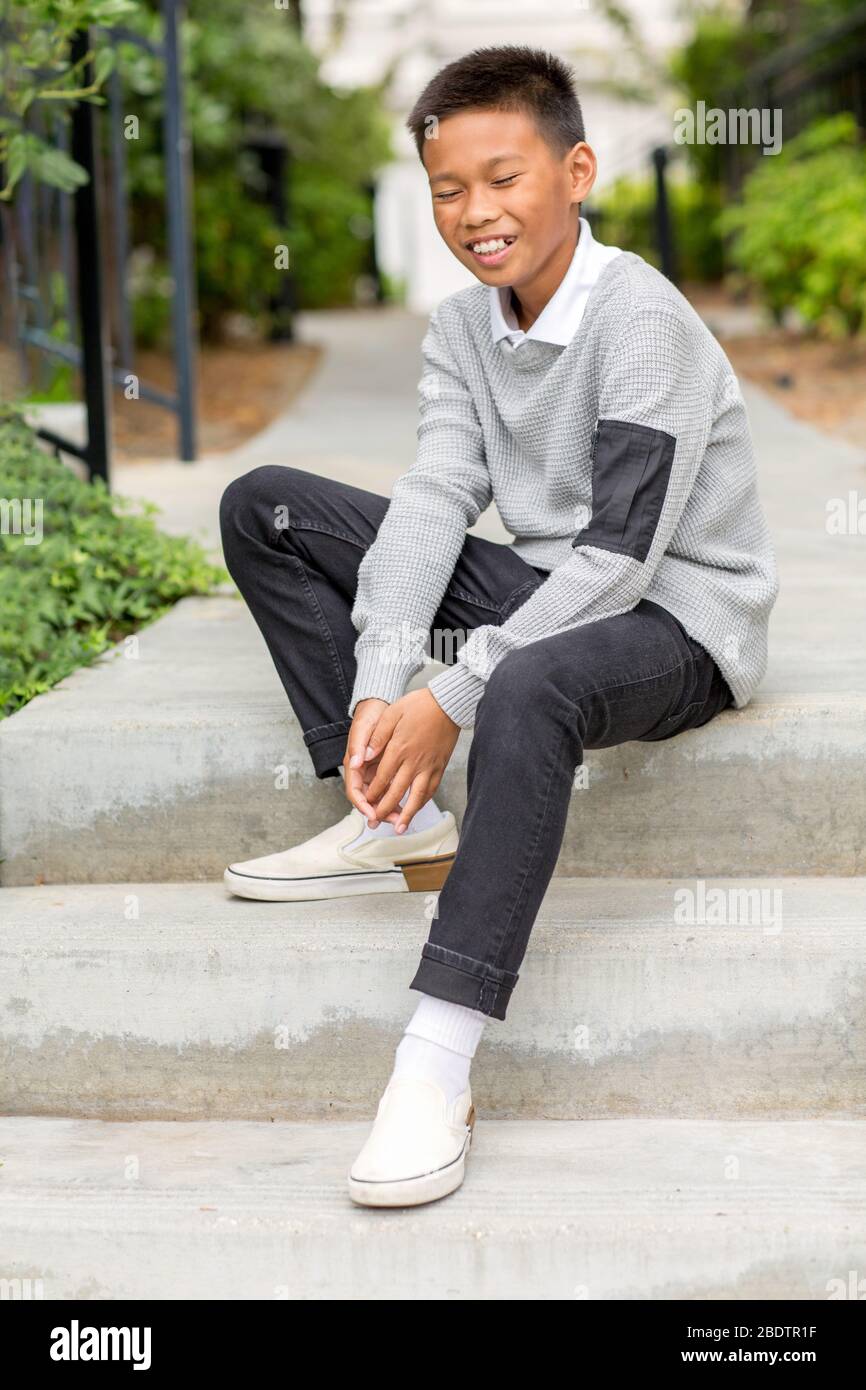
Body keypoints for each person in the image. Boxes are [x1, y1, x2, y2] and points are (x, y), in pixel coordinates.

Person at [219, 45, 780, 1209]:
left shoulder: (641, 321)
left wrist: (454, 692)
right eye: (446, 189)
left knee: (524, 688)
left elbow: (619, 562)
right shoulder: (463, 328)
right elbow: (432, 499)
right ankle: (395, 810)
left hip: (674, 617)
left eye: (503, 177)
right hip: (546, 583)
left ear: (574, 171)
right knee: (265, 505)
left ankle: (434, 1062)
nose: (475, 213)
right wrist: (385, 683)